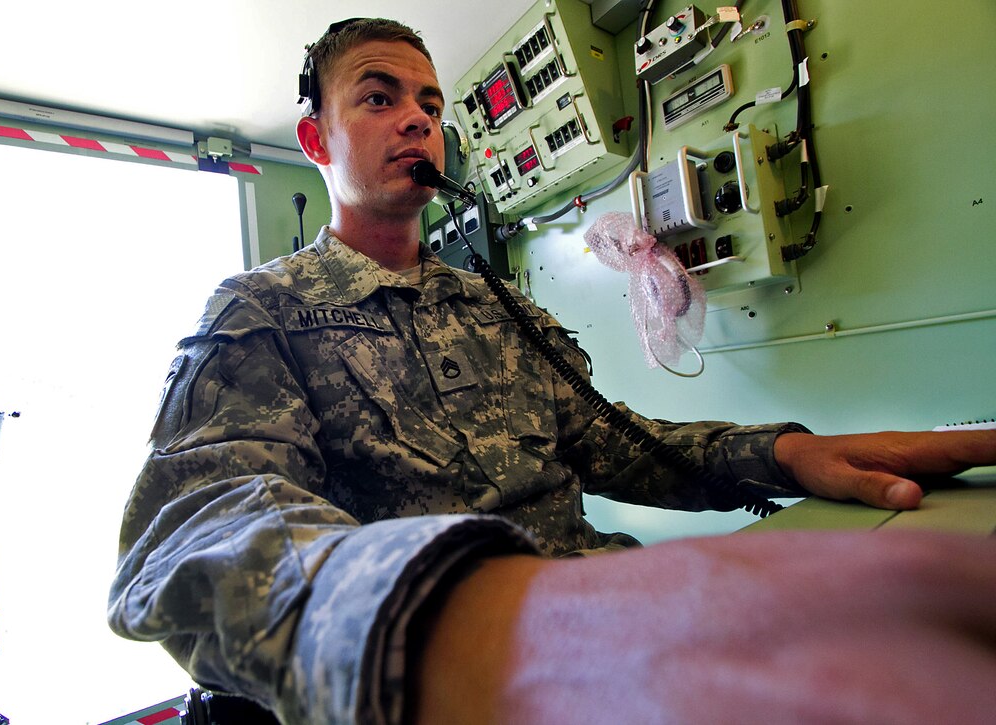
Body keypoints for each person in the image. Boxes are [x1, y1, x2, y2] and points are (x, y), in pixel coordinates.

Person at [107, 18, 996, 725]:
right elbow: (191, 530)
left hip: (618, 635)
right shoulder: (260, 311)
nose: (418, 118)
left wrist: (791, 453)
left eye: (427, 101)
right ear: (315, 137)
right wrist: (472, 630)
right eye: (378, 98)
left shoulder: (497, 307)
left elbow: (618, 443)